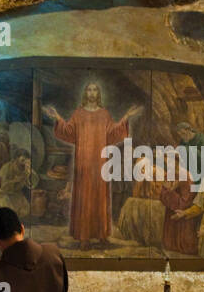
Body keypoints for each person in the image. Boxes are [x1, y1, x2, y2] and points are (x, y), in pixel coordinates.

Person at [44, 82, 140, 251]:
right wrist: (58, 118)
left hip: (100, 163)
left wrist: (126, 117)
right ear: (85, 93)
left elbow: (113, 133)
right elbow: (68, 131)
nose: (92, 92)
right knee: (84, 198)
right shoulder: (78, 114)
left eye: (95, 89)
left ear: (98, 93)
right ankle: (84, 238)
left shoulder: (104, 114)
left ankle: (102, 235)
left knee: (100, 198)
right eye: (89, 89)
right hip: (83, 163)